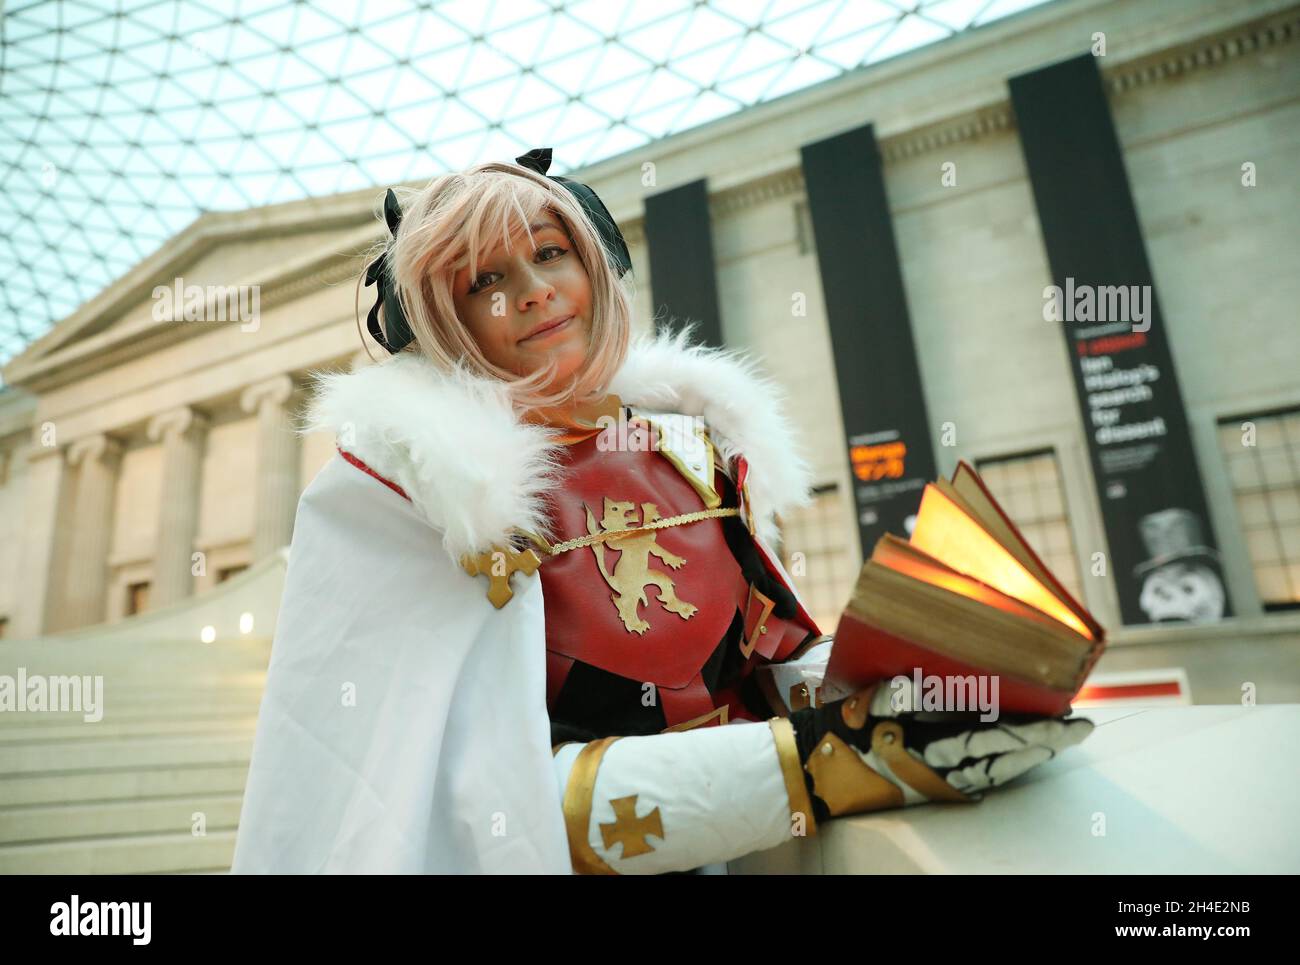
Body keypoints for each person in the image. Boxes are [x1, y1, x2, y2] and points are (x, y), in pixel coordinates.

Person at [231, 148, 1094, 875]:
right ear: (440, 318)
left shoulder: (688, 444)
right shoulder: (404, 496)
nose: (533, 291)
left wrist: (916, 691)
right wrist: (827, 762)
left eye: (549, 253)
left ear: (595, 259)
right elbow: (484, 795)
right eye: (486, 279)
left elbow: (772, 650)